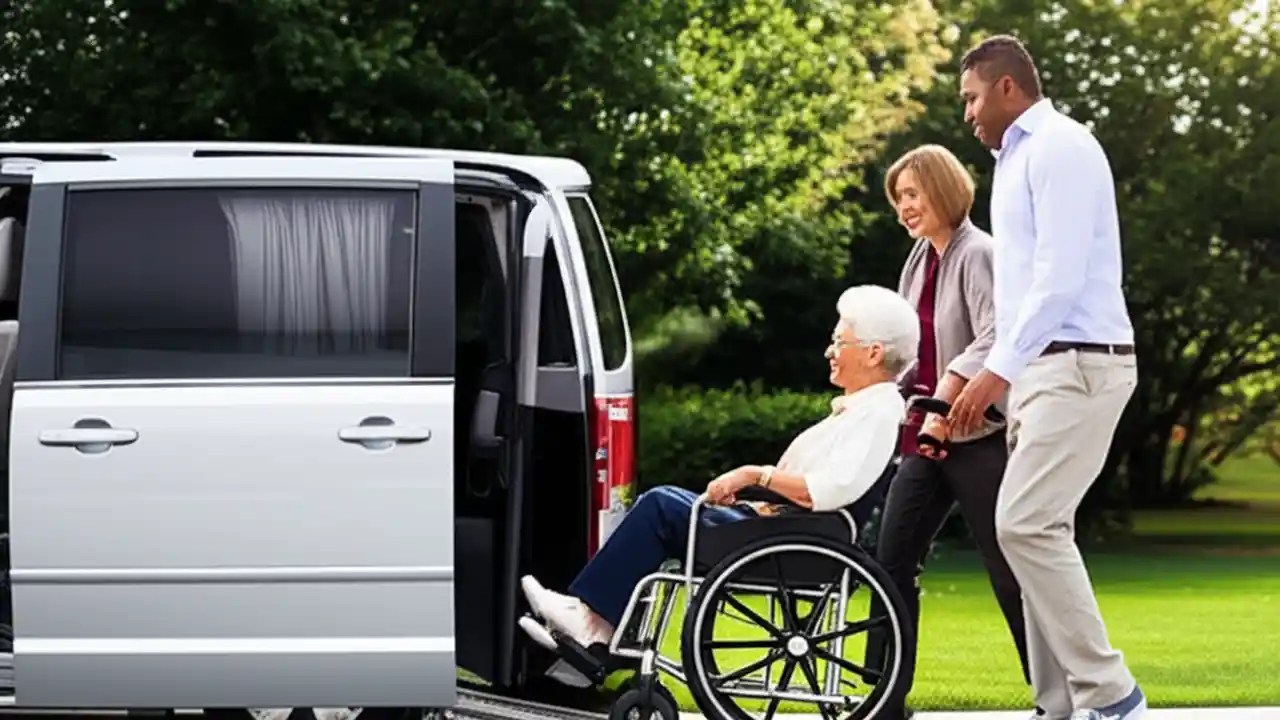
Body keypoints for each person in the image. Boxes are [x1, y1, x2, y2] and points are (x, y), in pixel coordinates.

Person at [519, 284, 919, 655]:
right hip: (781, 526)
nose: (830, 351)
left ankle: (592, 623)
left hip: (789, 537)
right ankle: (597, 624)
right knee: (664, 502)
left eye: (839, 342)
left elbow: (826, 490)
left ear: (873, 353)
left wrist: (752, 475)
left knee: (660, 507)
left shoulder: (876, 413)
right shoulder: (865, 409)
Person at [949, 35, 1146, 720]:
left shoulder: (1060, 147)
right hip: (1044, 369)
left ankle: (1111, 693)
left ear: (1009, 88)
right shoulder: (1014, 161)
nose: (968, 114)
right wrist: (1002, 370)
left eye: (973, 98)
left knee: (1026, 524)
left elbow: (1059, 282)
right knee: (1038, 531)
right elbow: (1023, 293)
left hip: (1081, 363)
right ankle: (1057, 705)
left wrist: (994, 375)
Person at [865, 143, 1030, 720]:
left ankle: (1057, 696)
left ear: (943, 189)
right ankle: (883, 700)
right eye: (898, 199)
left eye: (912, 194)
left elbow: (996, 335)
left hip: (976, 435)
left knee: (1008, 570)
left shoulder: (978, 252)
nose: (904, 207)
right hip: (925, 439)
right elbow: (911, 350)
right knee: (889, 566)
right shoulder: (918, 260)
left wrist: (948, 391)